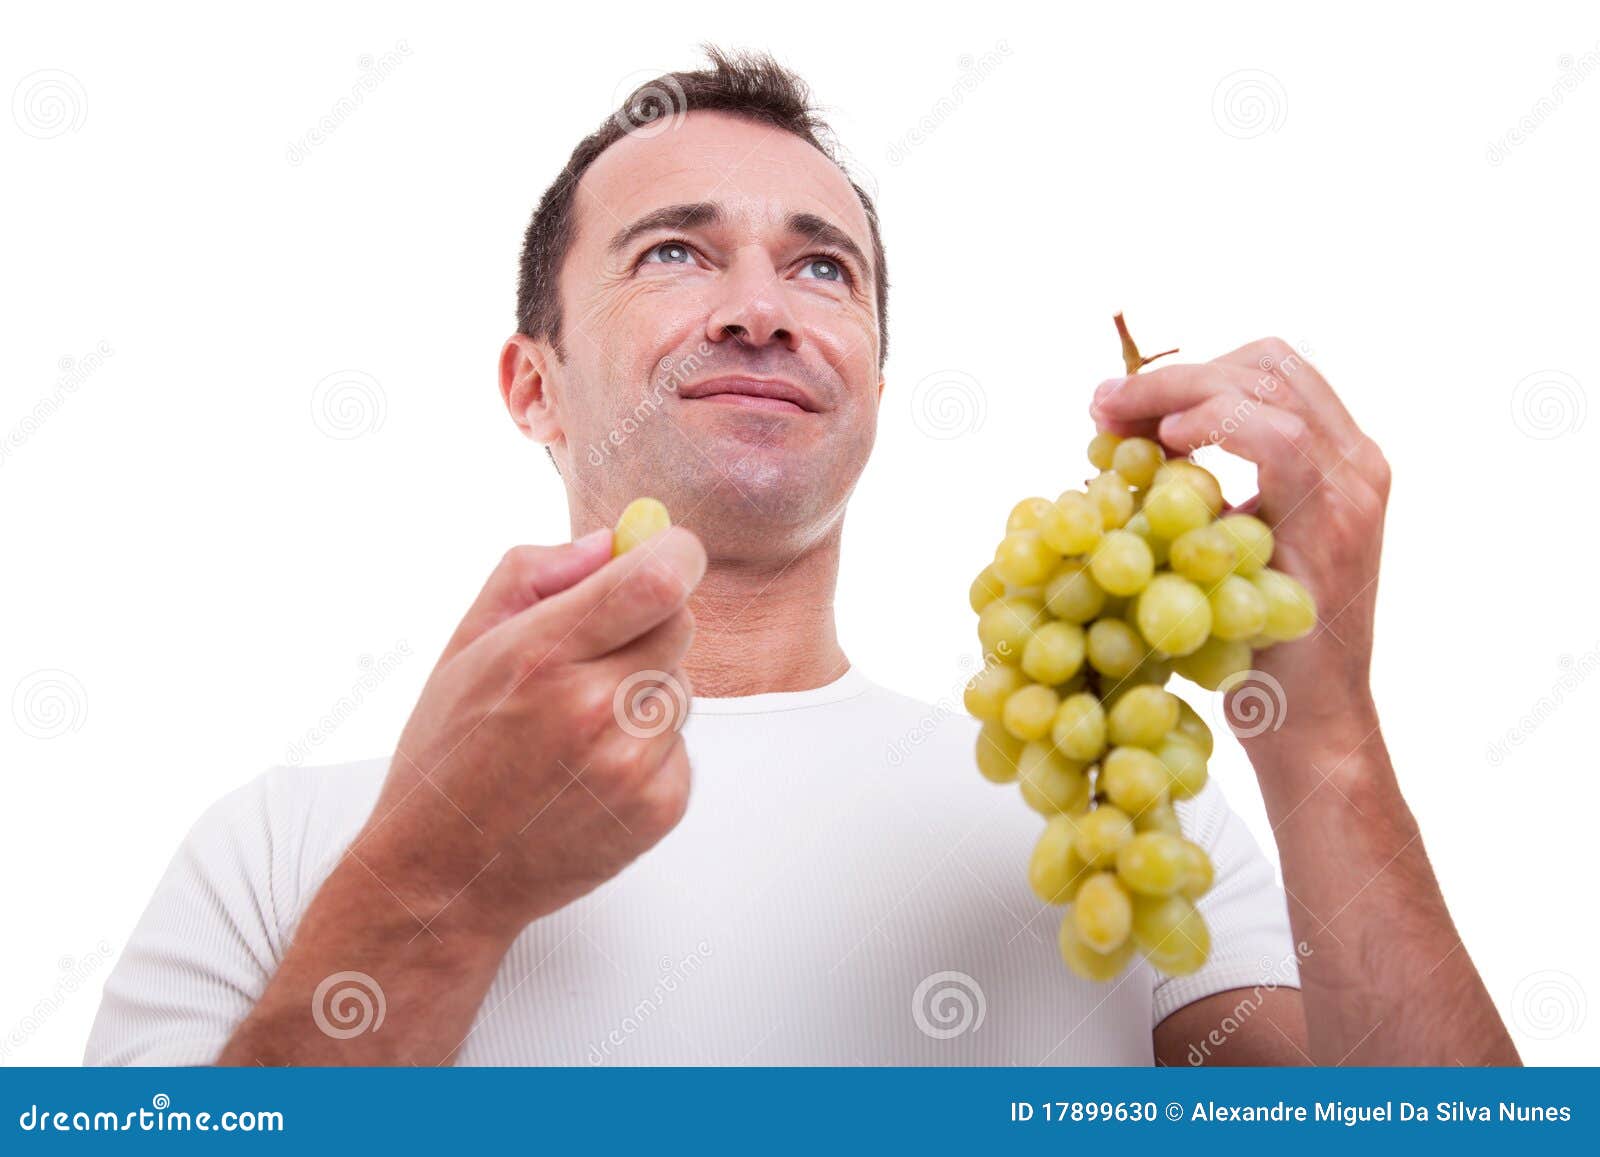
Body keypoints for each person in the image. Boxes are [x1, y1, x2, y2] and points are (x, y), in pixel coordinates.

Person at [86, 47, 1516, 1067]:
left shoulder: (1122, 823)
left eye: (822, 267)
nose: (761, 309)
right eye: (674, 254)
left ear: (877, 385)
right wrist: (438, 884)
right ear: (533, 385)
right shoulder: (280, 846)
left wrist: (1321, 729)